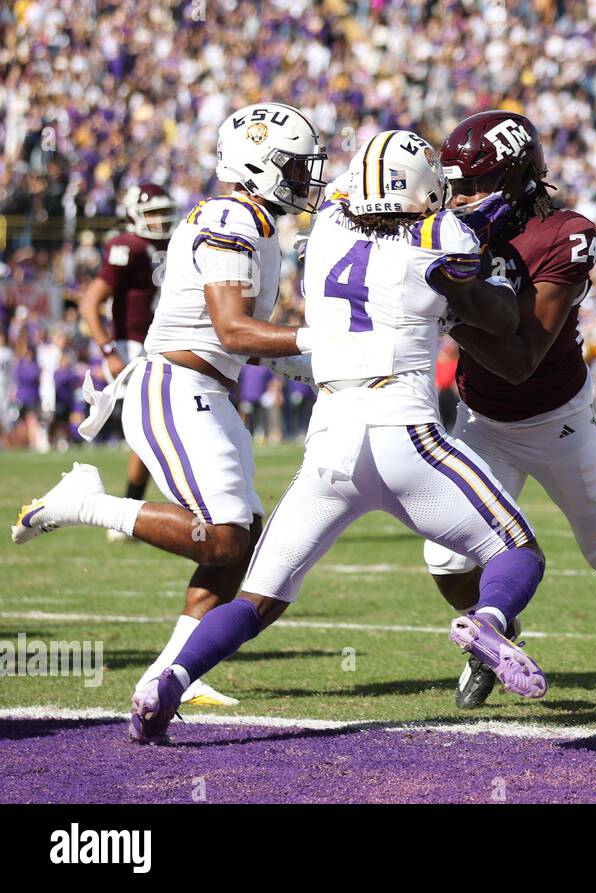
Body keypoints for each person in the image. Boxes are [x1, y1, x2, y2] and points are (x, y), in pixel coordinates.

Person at [129, 130, 547, 744]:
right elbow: (501, 318)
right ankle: (487, 620)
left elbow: (369, 207)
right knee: (518, 550)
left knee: (254, 602)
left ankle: (168, 680)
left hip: (329, 443)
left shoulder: (326, 227)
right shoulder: (442, 239)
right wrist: (484, 254)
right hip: (407, 435)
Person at [11, 102, 328, 711]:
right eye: (291, 165)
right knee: (225, 540)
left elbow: (239, 344)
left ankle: (173, 670)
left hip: (207, 390)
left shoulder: (253, 222)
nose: (301, 178)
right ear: (256, 163)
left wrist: (323, 366)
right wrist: (328, 339)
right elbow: (235, 332)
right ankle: (85, 502)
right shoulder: (232, 219)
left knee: (242, 540)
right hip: (176, 388)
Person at [422, 110, 596, 708]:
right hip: (480, 421)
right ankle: (493, 635)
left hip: (557, 419)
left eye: (472, 185)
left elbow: (521, 359)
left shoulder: (565, 234)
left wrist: (445, 312)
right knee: (445, 558)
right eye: (454, 186)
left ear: (518, 178)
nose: (458, 198)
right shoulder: (446, 226)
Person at [77, 183, 176, 541]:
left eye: (164, 212)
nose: (160, 220)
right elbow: (90, 304)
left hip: (161, 345)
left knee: (156, 433)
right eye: (151, 213)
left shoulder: (167, 245)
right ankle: (127, 515)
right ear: (133, 214)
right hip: (131, 347)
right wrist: (108, 350)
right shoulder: (126, 246)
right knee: (149, 434)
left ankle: (131, 514)